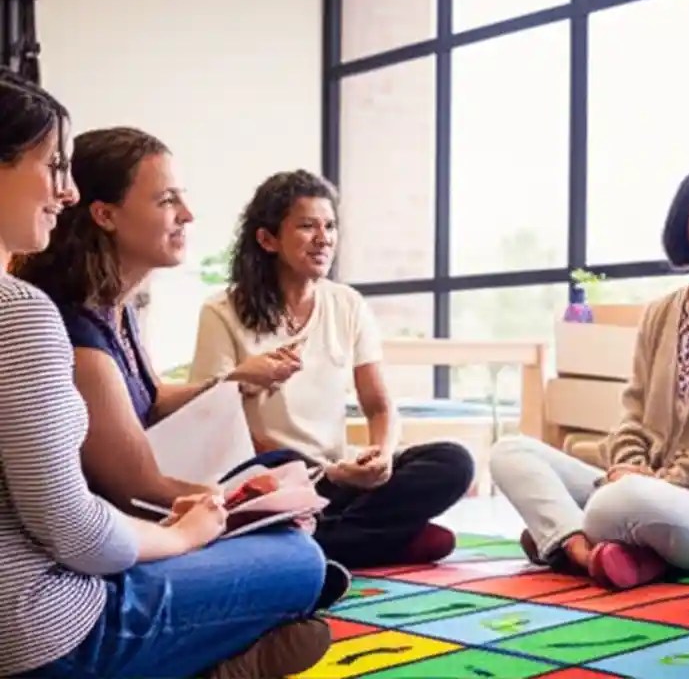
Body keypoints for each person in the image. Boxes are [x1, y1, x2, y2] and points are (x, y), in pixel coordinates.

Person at [0, 69, 330, 678]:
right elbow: (82, 529)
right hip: (46, 635)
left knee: (274, 484)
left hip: (45, 598)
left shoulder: (98, 310)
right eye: (52, 167)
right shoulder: (27, 316)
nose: (64, 191)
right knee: (303, 564)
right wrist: (191, 532)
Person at [489, 160, 689, 590]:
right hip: (641, 490)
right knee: (509, 452)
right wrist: (630, 466)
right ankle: (586, 550)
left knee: (616, 503)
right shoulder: (660, 313)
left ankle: (564, 537)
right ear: (685, 224)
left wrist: (669, 479)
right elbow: (632, 412)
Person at [188, 169, 475, 569]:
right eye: (307, 226)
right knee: (282, 490)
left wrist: (383, 455)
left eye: (330, 226)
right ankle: (374, 538)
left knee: (454, 462)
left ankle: (322, 543)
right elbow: (214, 422)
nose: (324, 239)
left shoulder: (347, 304)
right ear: (268, 239)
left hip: (339, 480)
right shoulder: (221, 312)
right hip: (275, 481)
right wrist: (322, 471)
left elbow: (378, 404)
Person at [12, 127, 303, 512]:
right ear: (105, 214)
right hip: (124, 537)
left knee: (285, 469)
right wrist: (249, 499)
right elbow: (139, 492)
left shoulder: (120, 309)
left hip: (151, 511)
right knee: (300, 542)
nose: (188, 215)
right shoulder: (78, 336)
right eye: (168, 201)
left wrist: (235, 379)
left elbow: (146, 397)